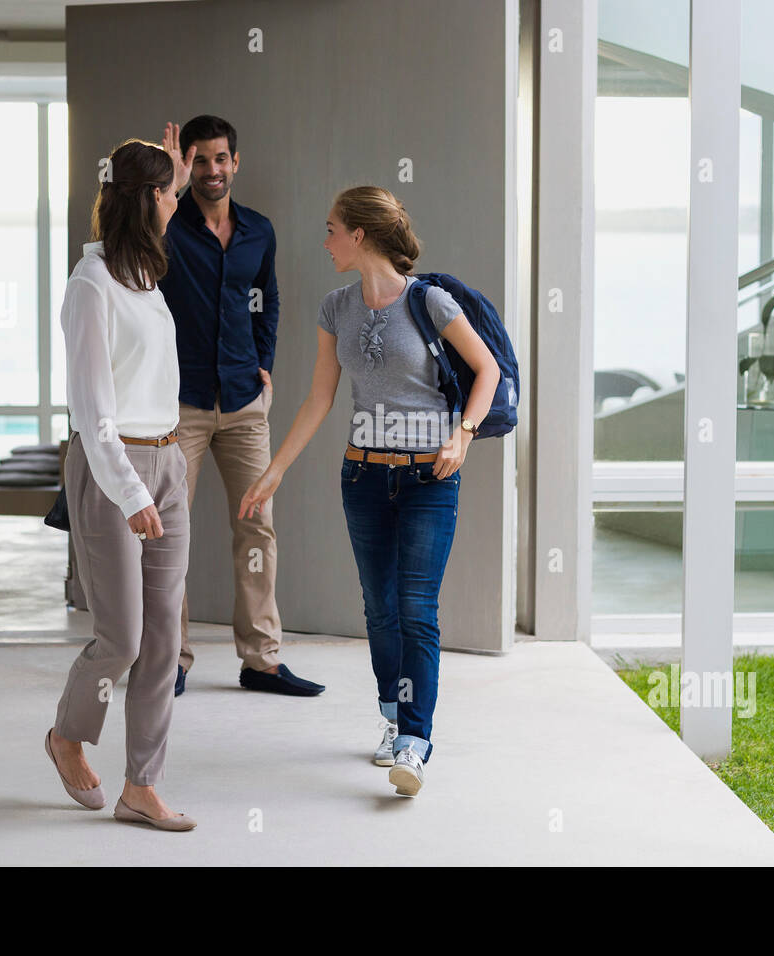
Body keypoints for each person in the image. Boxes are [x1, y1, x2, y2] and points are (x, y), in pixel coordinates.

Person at [238, 186, 500, 796]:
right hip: (362, 475)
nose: (324, 240)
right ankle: (393, 714)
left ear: (360, 235)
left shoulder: (430, 301)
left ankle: (415, 737)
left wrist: (462, 435)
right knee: (380, 609)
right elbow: (320, 398)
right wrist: (276, 468)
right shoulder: (336, 307)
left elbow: (486, 369)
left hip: (428, 479)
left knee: (417, 608)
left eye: (331, 229)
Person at [46, 138, 196, 831]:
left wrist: (177, 175)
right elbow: (92, 409)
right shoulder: (92, 285)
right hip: (114, 470)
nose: (177, 203)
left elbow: (146, 381)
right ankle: (68, 735)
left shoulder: (144, 274)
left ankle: (141, 786)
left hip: (168, 461)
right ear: (145, 202)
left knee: (165, 637)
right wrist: (132, 493)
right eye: (168, 194)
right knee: (123, 637)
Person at [156, 115, 324, 698]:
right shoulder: (167, 226)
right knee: (169, 533)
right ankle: (168, 660)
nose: (212, 171)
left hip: (245, 403)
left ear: (236, 162)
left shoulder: (259, 231)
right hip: (181, 405)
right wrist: (169, 188)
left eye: (220, 159)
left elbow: (268, 299)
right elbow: (126, 253)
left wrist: (265, 360)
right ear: (189, 166)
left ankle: (261, 660)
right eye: (199, 160)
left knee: (258, 529)